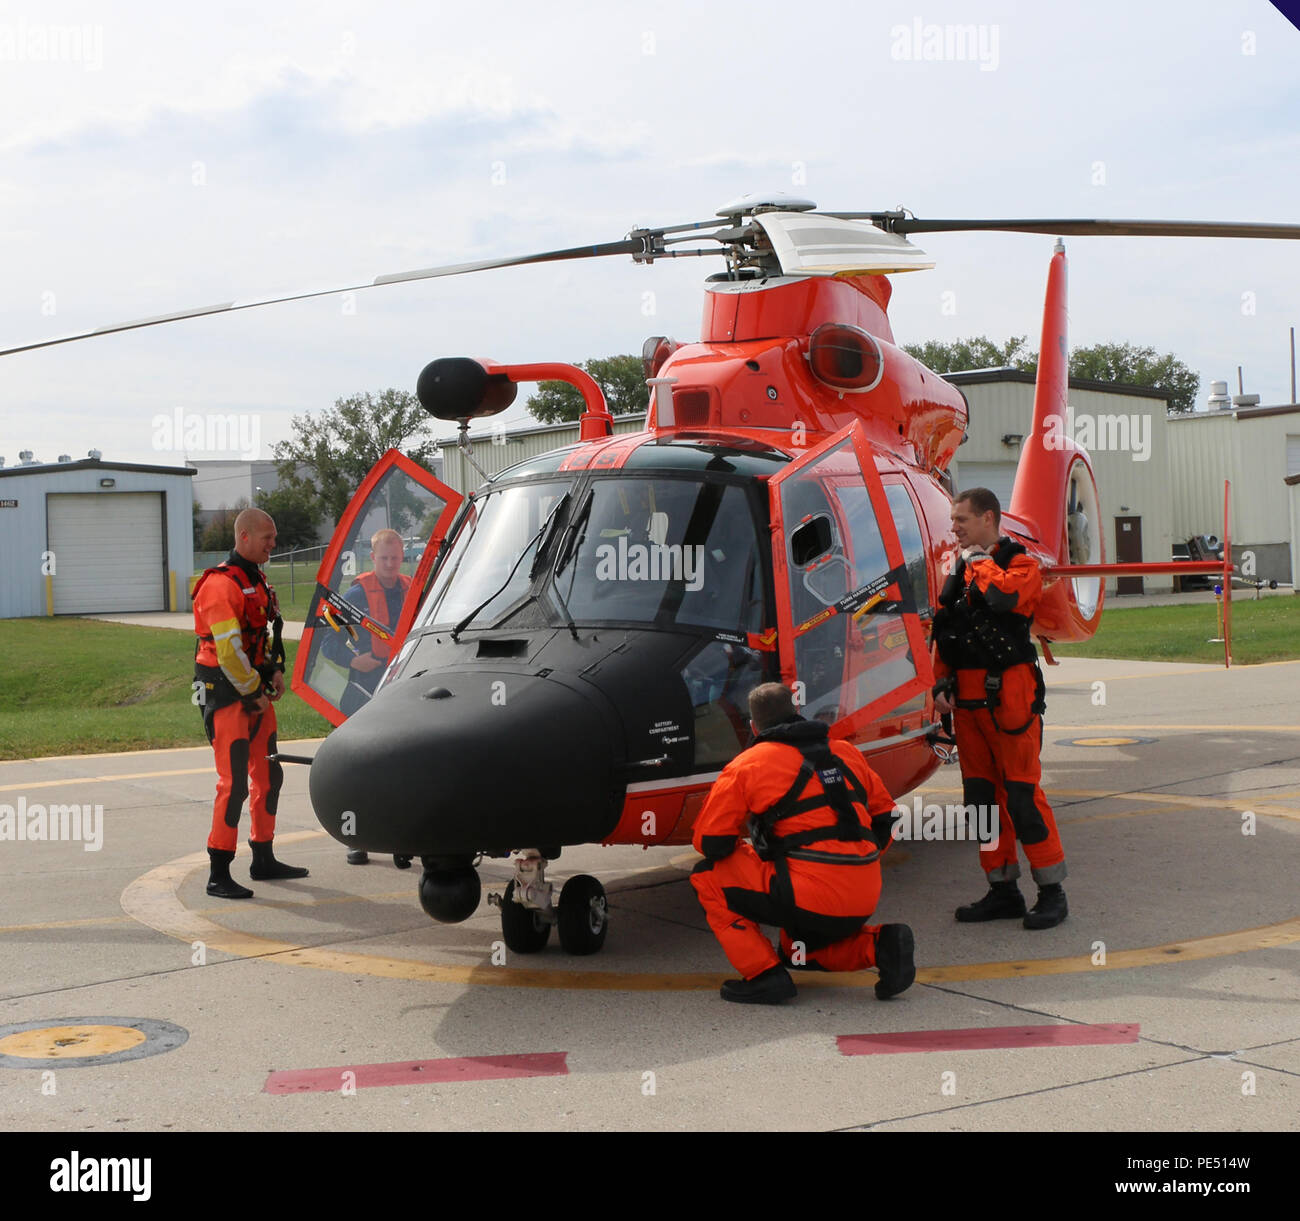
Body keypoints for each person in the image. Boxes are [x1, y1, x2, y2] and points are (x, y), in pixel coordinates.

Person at [690, 682, 915, 1004]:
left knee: (706, 875)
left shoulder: (748, 764)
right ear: (797, 713)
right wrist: (855, 860)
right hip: (865, 890)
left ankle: (764, 976)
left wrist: (759, 848)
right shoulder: (846, 751)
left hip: (807, 895)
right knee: (797, 952)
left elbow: (711, 843)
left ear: (753, 726)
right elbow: (888, 818)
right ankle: (880, 945)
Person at [931, 488, 1067, 929]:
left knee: (1023, 797)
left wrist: (977, 562)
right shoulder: (963, 570)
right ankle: (1002, 889)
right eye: (953, 521)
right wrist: (940, 684)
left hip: (1010, 698)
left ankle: (1051, 892)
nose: (954, 528)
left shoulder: (1020, 563)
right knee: (982, 802)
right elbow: (947, 628)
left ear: (988, 519)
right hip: (967, 703)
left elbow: (1007, 599)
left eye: (961, 520)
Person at [193, 507, 308, 898]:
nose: (274, 545)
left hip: (254, 693)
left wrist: (273, 670)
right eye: (267, 538)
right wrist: (253, 692)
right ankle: (218, 873)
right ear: (244, 537)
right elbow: (227, 652)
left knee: (269, 776)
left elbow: (260, 636)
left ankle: (263, 858)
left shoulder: (255, 580)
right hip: (227, 698)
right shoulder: (220, 585)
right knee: (234, 784)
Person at [327, 528, 412, 866]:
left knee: (400, 769)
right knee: (358, 769)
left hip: (399, 691)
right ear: (373, 558)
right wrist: (352, 660)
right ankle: (356, 839)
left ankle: (399, 839)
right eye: (384, 558)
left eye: (395, 557)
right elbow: (328, 641)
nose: (390, 563)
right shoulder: (356, 595)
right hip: (362, 690)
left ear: (402, 557)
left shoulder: (413, 592)